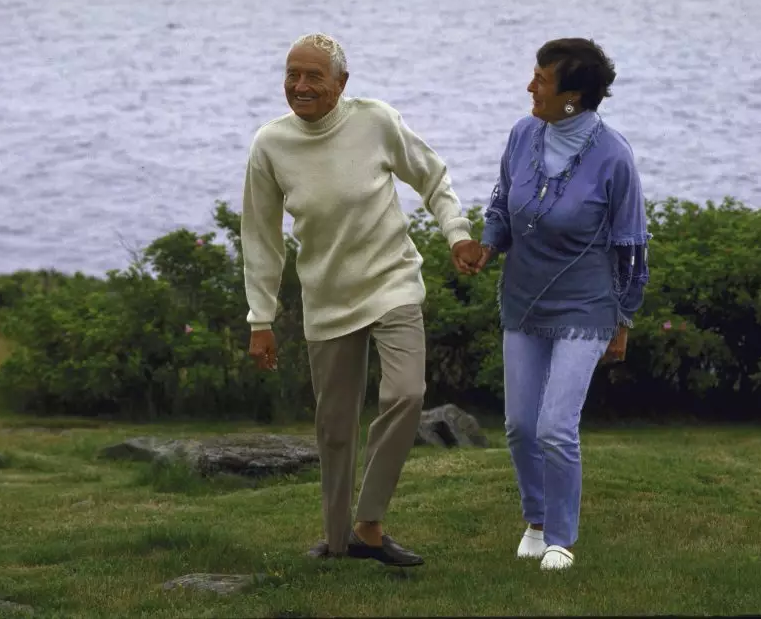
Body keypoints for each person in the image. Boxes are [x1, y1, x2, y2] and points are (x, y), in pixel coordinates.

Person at [241, 32, 482, 567]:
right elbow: (260, 236)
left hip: (391, 283)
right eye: (291, 75)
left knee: (405, 395)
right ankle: (334, 541)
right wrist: (261, 317)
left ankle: (368, 525)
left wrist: (457, 233)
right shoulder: (270, 145)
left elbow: (432, 176)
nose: (300, 87)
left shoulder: (375, 121)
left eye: (313, 77)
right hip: (326, 299)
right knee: (333, 428)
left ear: (341, 84)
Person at [471, 37, 650, 571]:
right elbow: (503, 202)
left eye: (542, 80)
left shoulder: (614, 156)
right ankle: (536, 520)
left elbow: (630, 245)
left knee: (555, 426)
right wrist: (485, 244)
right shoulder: (523, 134)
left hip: (586, 307)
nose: (530, 87)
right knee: (520, 425)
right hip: (523, 300)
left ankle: (560, 540)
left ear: (572, 96)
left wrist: (623, 317)